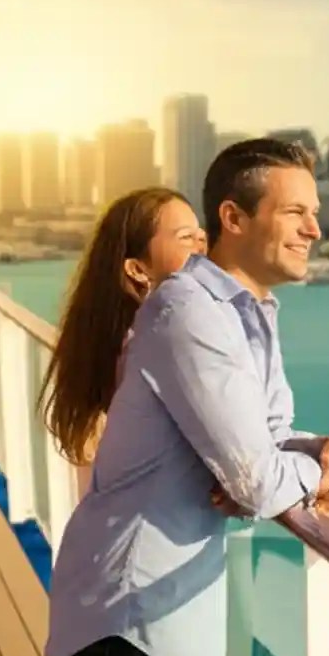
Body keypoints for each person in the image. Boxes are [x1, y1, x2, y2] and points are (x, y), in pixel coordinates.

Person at [45, 138, 329, 656]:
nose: (314, 230)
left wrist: (327, 449)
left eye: (314, 214)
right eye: (295, 213)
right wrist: (306, 472)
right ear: (233, 217)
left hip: (165, 618)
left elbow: (266, 436)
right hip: (133, 622)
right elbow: (257, 484)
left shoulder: (249, 312)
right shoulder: (187, 312)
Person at [39, 186, 207, 496]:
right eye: (186, 238)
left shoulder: (111, 343)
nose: (202, 250)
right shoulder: (156, 347)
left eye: (201, 237)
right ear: (137, 269)